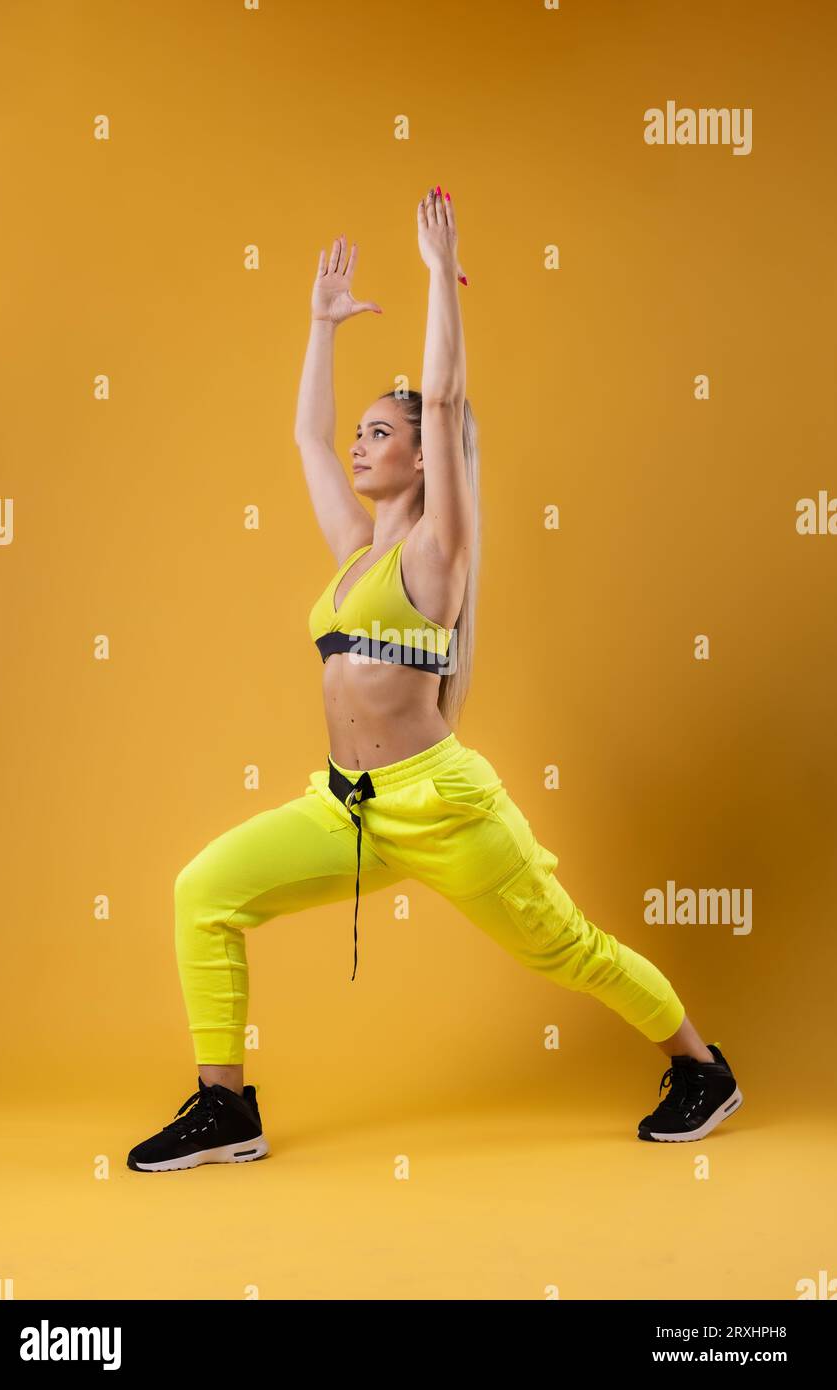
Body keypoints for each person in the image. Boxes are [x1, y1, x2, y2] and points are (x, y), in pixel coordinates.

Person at [127, 186, 743, 1173]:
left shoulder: (436, 551)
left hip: (445, 806)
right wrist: (320, 327)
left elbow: (449, 397)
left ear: (423, 458)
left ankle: (702, 1065)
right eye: (364, 433)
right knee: (204, 891)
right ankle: (225, 1107)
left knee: (569, 948)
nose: (361, 445)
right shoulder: (353, 557)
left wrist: (433, 280)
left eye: (382, 432)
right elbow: (304, 440)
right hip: (345, 808)